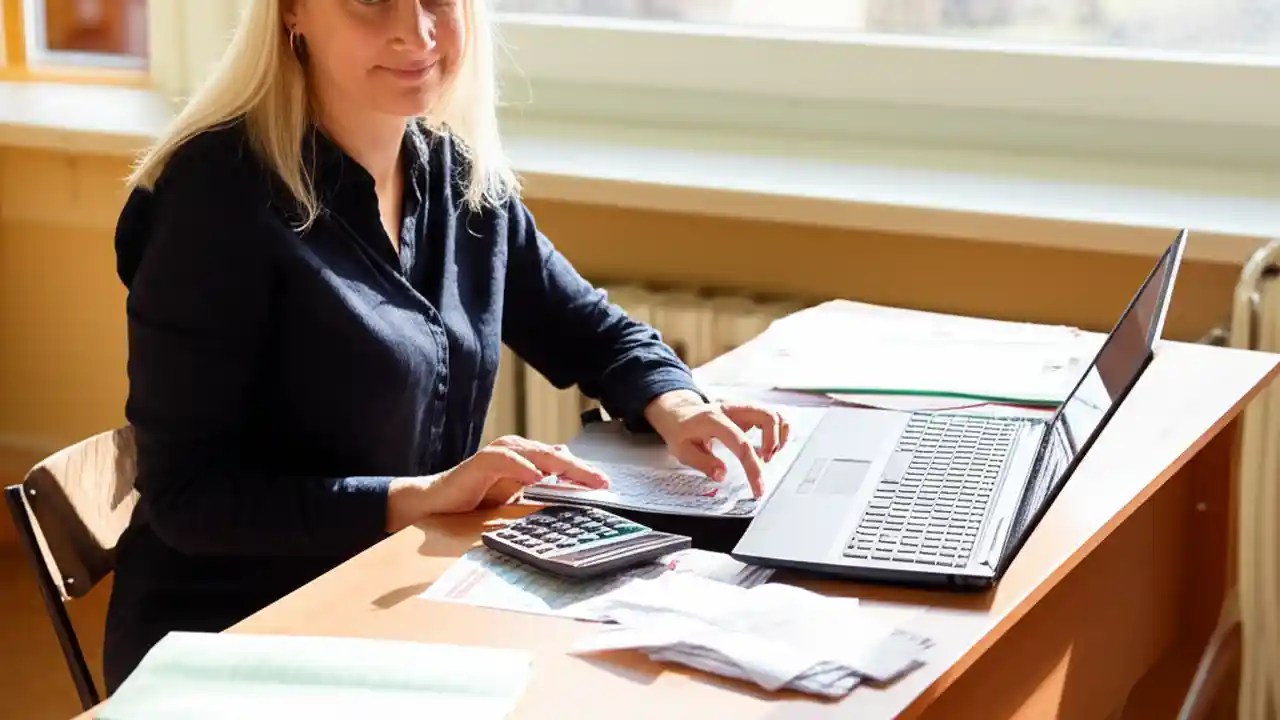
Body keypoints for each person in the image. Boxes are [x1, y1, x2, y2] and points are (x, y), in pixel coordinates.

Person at [104, 0, 789, 691]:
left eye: (438, 0)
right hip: (237, 638)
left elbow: (591, 329)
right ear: (293, 15)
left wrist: (674, 401)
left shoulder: (450, 170)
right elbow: (190, 499)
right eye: (370, 3)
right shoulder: (212, 199)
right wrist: (418, 496)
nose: (417, 32)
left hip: (397, 596)